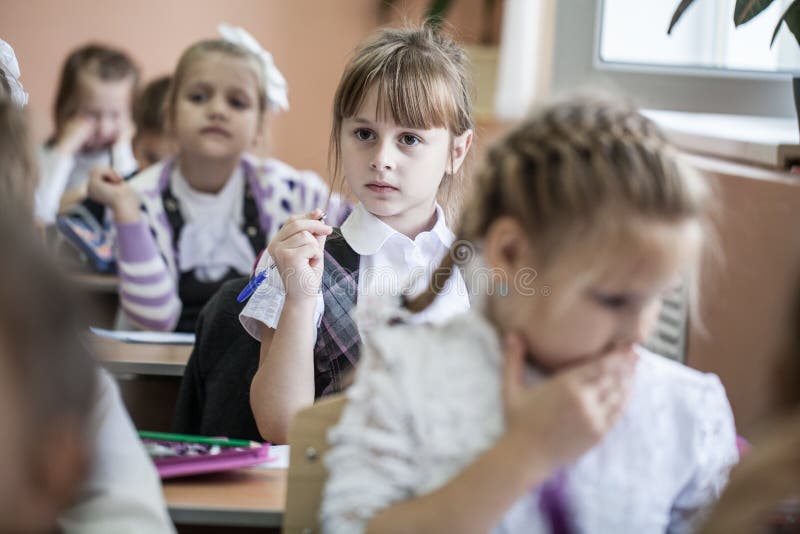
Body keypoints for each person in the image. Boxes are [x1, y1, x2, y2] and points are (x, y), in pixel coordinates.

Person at [320, 97, 740, 533]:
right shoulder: (408, 374)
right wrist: (526, 454)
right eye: (612, 301)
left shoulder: (686, 411)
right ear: (510, 252)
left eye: (658, 298)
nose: (638, 332)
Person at [240, 25, 474, 443]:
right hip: (337, 489)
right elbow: (280, 425)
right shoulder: (306, 258)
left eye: (409, 139)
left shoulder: (484, 269)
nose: (381, 159)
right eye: (364, 134)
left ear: (456, 152)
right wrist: (299, 296)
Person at [88, 25, 346, 333]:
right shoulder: (138, 197)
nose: (217, 110)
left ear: (260, 125)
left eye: (237, 102)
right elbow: (154, 319)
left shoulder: (296, 193)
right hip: (154, 369)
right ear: (170, 115)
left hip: (252, 366)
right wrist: (125, 212)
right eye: (199, 97)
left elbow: (358, 230)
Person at [35, 43, 139, 223]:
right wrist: (64, 150)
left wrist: (122, 149)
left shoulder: (130, 157)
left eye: (115, 115)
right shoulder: (45, 157)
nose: (104, 128)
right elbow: (40, 213)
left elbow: (132, 204)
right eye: (92, 114)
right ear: (65, 109)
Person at [132, 75, 176, 169]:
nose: (160, 175)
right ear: (133, 144)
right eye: (152, 160)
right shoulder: (117, 182)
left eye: (173, 165)